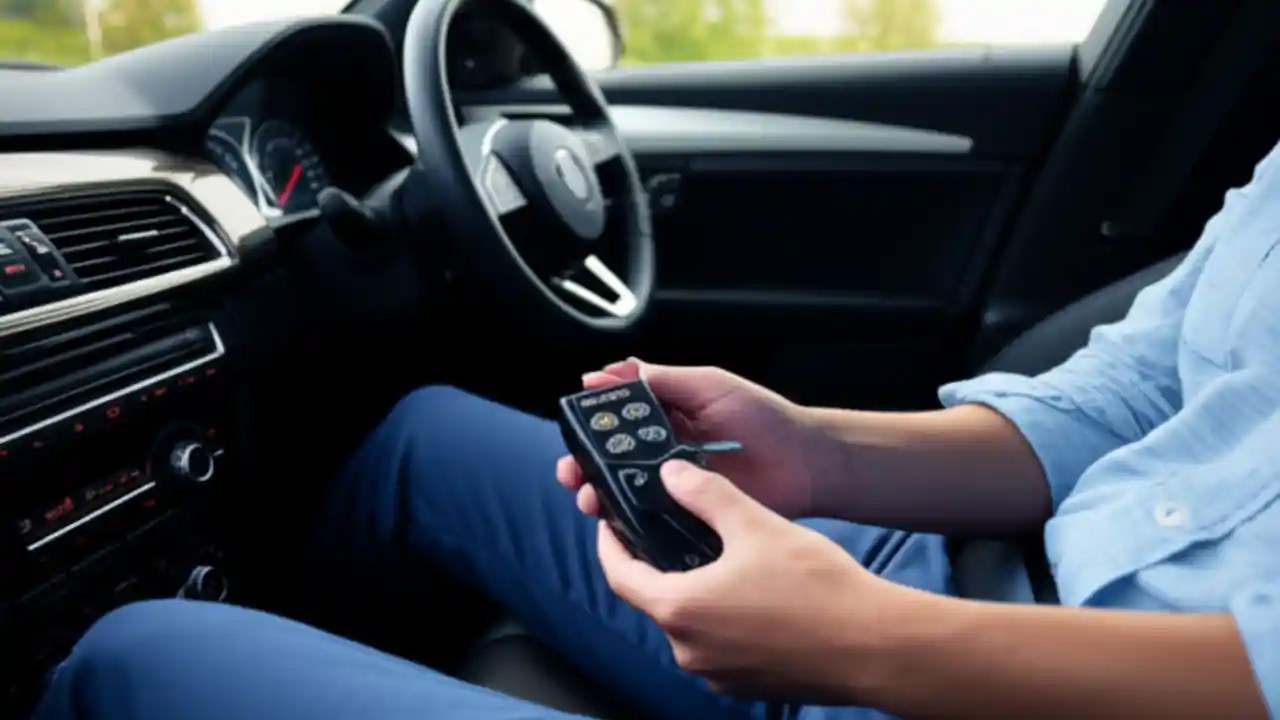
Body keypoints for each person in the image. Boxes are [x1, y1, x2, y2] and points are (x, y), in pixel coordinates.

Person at [29, 138, 1280, 720]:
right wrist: (822, 453)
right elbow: (1128, 399)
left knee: (137, 654)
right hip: (972, 589)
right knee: (418, 439)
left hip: (1005, 684)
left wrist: (865, 648)